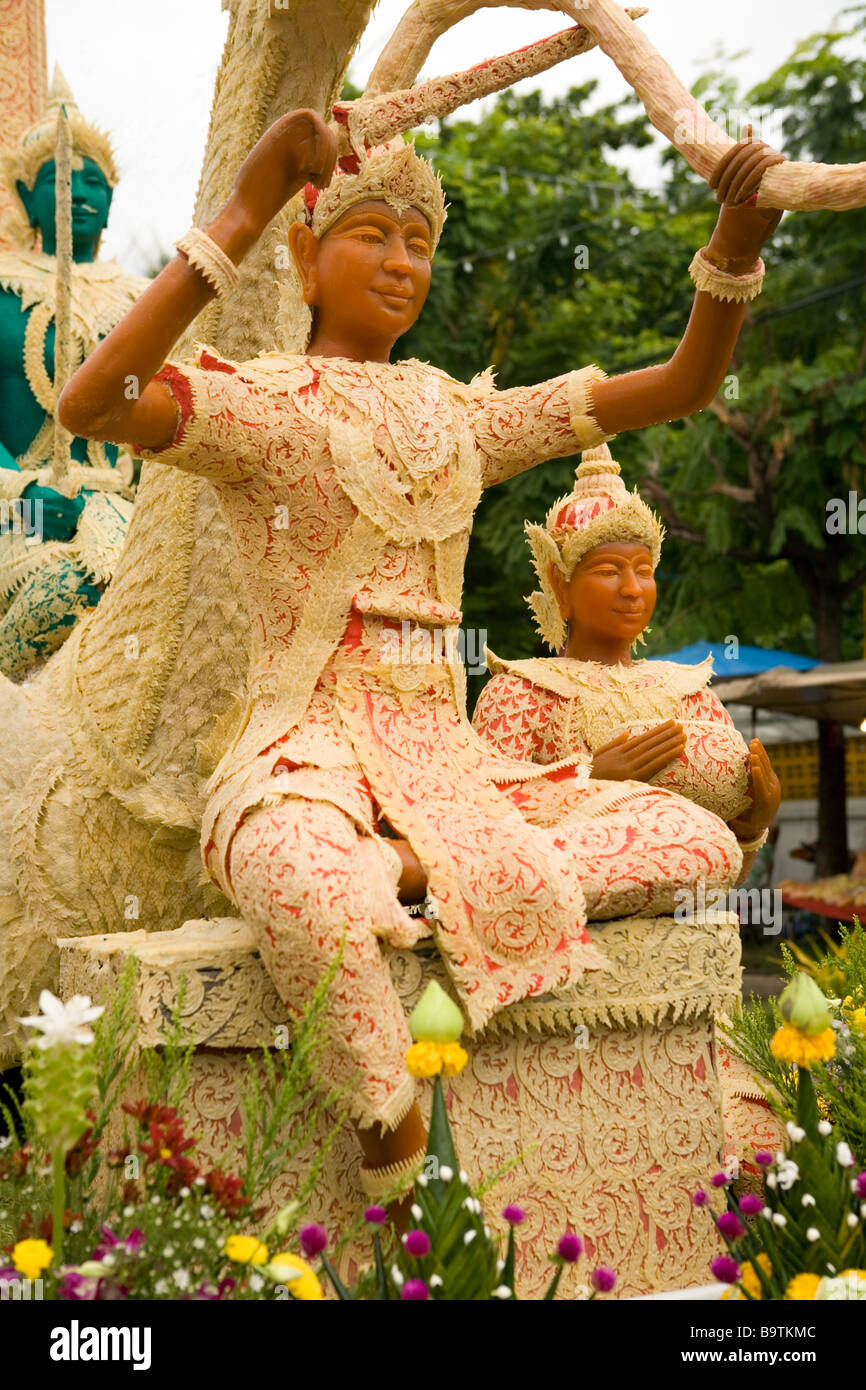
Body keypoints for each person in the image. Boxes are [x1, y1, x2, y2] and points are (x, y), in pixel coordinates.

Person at [58, 102, 783, 1192]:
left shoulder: (462, 415)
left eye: (419, 241)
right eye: (370, 232)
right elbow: (94, 402)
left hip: (451, 780)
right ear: (304, 257)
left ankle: (407, 872)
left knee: (691, 837)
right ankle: (400, 1162)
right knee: (305, 884)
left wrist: (732, 242)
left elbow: (679, 385)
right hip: (305, 761)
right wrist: (250, 200)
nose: (400, 261)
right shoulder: (263, 404)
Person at [473, 444, 782, 881]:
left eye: (644, 569)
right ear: (560, 587)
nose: (633, 588)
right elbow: (483, 835)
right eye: (608, 570)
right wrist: (587, 782)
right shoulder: (519, 693)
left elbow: (721, 876)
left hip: (687, 936)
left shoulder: (693, 696)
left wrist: (751, 826)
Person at [0, 67, 145, 679]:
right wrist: (21, 498)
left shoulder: (146, 298)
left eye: (93, 179)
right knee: (80, 582)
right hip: (24, 515)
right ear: (25, 194)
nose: (77, 190)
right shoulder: (4, 287)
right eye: (58, 177)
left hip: (136, 513)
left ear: (112, 199)